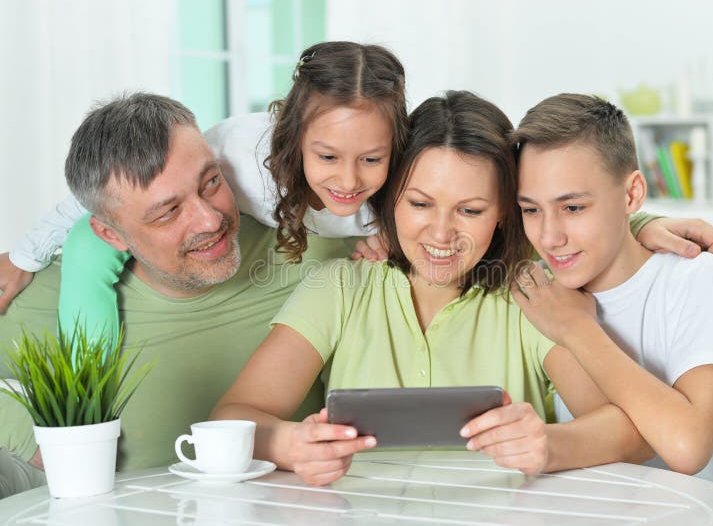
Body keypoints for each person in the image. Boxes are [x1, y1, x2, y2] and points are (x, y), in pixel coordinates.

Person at [211, 90, 657, 486]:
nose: (441, 234)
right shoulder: (338, 289)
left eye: (470, 210)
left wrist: (549, 444)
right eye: (421, 204)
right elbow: (231, 418)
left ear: (504, 211)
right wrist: (292, 445)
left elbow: (631, 430)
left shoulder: (531, 296)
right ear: (391, 199)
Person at [0, 93, 358, 497]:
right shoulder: (44, 294)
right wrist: (24, 431)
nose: (210, 220)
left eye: (211, 182)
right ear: (110, 234)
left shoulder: (313, 247)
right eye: (168, 212)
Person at [0, 41, 408, 347]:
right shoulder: (240, 156)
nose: (348, 181)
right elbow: (114, 185)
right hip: (121, 228)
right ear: (294, 138)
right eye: (328, 157)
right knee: (86, 245)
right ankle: (87, 387)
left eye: (372, 159)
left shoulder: (406, 182)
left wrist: (391, 234)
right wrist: (23, 257)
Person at [510, 93, 713, 511]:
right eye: (531, 210)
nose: (549, 236)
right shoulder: (545, 293)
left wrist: (577, 329)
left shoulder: (700, 279)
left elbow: (688, 447)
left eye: (573, 207)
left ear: (632, 194)